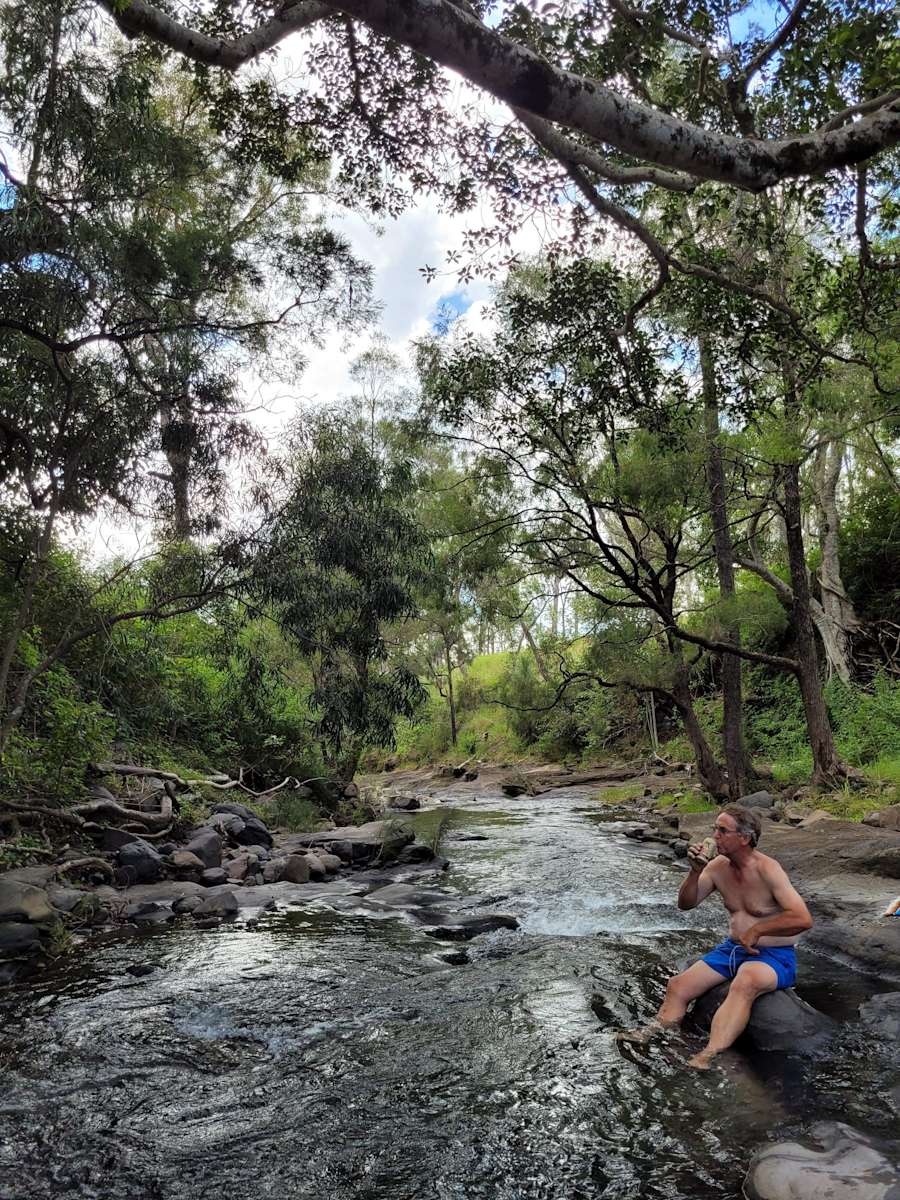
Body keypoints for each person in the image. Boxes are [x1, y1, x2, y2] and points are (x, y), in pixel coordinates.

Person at [617, 803, 814, 1070]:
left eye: (722, 830)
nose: (714, 836)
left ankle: (709, 1054)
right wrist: (695, 871)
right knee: (678, 985)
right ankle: (654, 1031)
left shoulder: (768, 869)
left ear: (744, 838)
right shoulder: (718, 867)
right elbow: (686, 904)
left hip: (773, 956)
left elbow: (802, 918)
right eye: (715, 829)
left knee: (745, 982)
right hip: (732, 950)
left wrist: (757, 930)